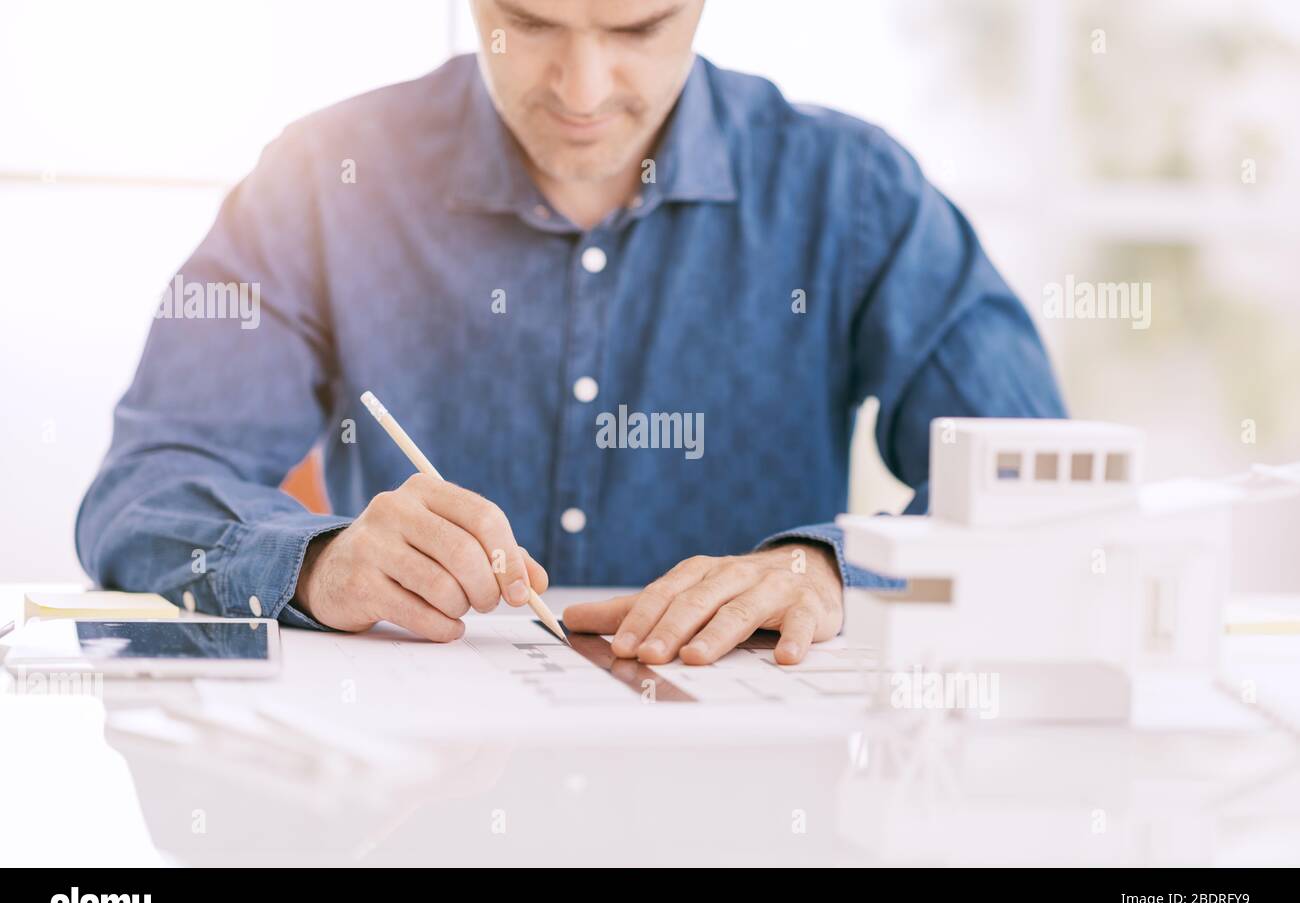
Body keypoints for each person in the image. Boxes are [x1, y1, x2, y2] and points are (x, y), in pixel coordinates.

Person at [76, 0, 1066, 667]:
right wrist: (316, 558)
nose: (582, 90)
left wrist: (832, 568)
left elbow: (1038, 492)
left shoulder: (852, 193)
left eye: (636, 26)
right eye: (529, 22)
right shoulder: (323, 177)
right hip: (419, 813)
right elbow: (148, 484)